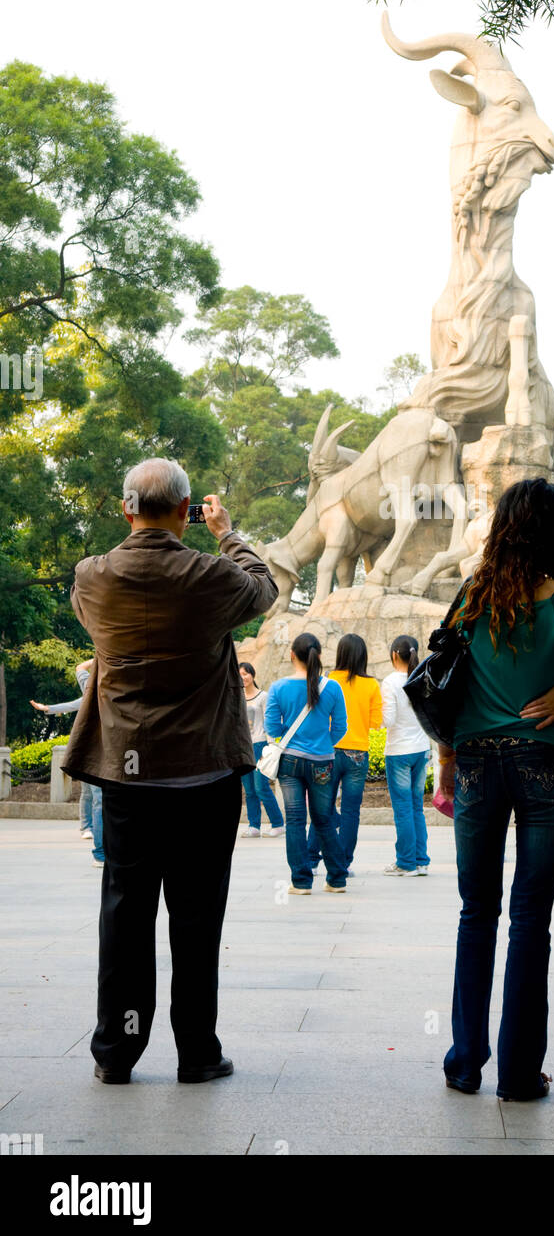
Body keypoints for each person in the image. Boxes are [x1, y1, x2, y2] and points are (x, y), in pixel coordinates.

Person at [62, 459, 278, 1085]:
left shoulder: (93, 577)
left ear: (125, 510)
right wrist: (227, 533)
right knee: (195, 918)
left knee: (125, 917)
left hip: (127, 779)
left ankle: (115, 1055)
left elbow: (93, 621)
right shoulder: (210, 576)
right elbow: (262, 586)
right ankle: (197, 1053)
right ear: (186, 511)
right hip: (203, 777)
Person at [438, 478, 554, 1100]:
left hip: (476, 763)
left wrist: (447, 758)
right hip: (544, 761)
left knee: (475, 913)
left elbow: (445, 682)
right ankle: (519, 1074)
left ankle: (465, 1063)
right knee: (530, 919)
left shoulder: (471, 597)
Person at [265, 632, 348, 894]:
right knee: (323, 820)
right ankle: (336, 879)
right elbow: (341, 728)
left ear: (292, 655)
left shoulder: (278, 688)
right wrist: (323, 742)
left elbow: (272, 727)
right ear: (319, 655)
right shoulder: (333, 687)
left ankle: (301, 882)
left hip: (289, 762)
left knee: (295, 820)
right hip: (323, 762)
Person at [307, 633, 382, 875]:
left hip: (328, 752)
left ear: (340, 653)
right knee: (351, 811)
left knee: (323, 806)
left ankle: (311, 860)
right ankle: (342, 864)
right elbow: (376, 723)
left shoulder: (328, 680)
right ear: (363, 656)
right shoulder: (371, 685)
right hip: (357, 754)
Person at [32, 659, 104, 866]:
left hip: (90, 754)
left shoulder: (91, 689)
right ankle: (89, 833)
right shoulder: (114, 691)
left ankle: (99, 852)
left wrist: (99, 654)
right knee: (96, 798)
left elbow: (80, 668)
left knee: (97, 798)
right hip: (109, 754)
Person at [381, 636, 431, 877]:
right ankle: (421, 861)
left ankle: (406, 863)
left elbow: (388, 720)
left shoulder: (390, 682)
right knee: (416, 807)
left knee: (402, 809)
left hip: (399, 752)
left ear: (393, 655)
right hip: (421, 750)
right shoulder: (422, 678)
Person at [238, 661, 285, 839]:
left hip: (260, 745)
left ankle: (278, 824)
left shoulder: (263, 697)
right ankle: (254, 826)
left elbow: (269, 721)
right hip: (243, 747)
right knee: (249, 789)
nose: (243, 677)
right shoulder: (237, 697)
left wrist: (271, 746)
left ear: (252, 674)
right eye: (239, 674)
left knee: (261, 787)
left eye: (245, 673)